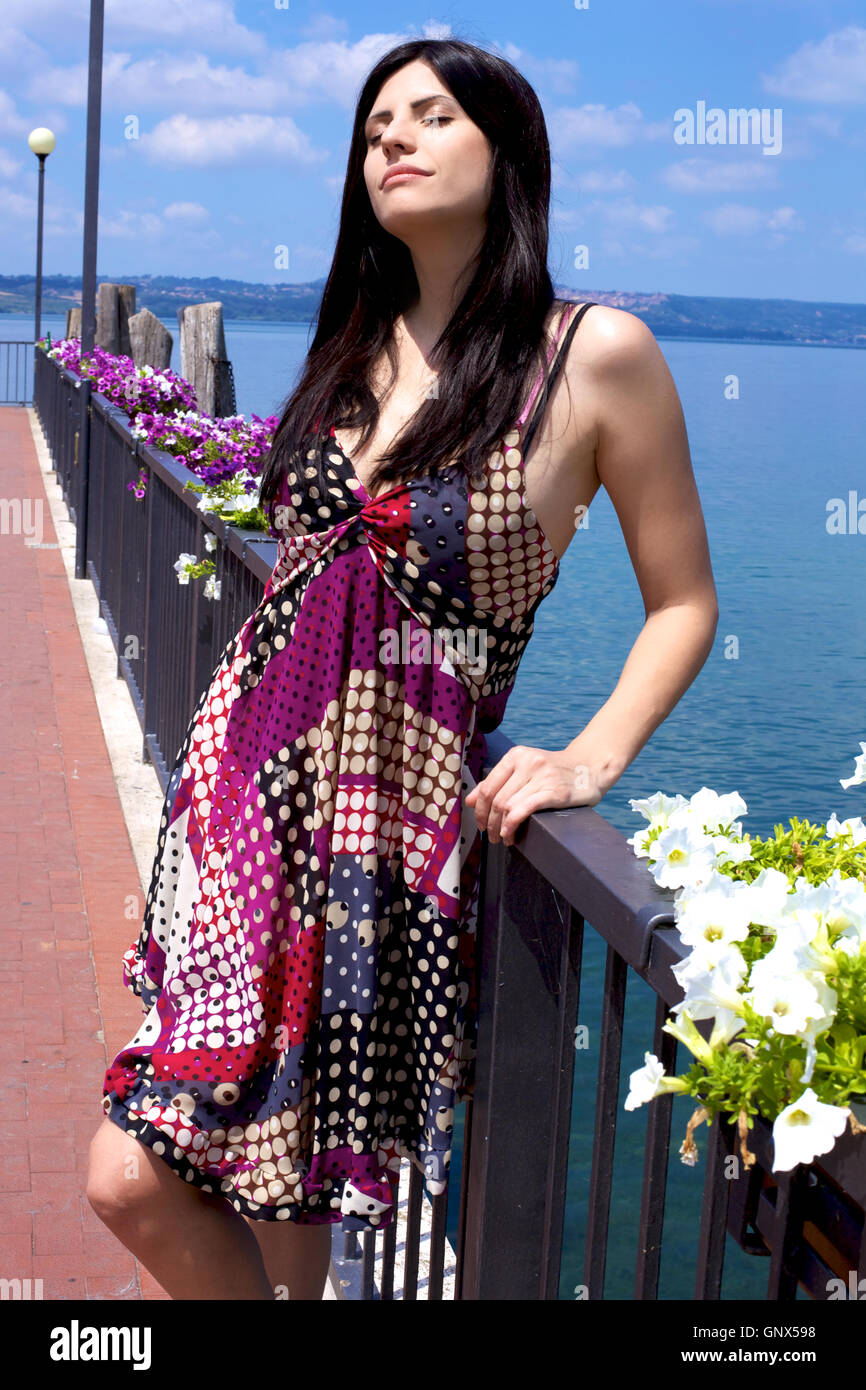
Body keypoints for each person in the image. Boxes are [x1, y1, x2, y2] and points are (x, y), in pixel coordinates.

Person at [87, 37, 718, 1302]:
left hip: (389, 836)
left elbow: (684, 602)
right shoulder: (351, 342)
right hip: (245, 811)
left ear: (509, 151)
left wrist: (588, 755)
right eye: (377, 125)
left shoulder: (590, 356)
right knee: (200, 1177)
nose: (393, 141)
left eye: (431, 117)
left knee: (213, 1171)